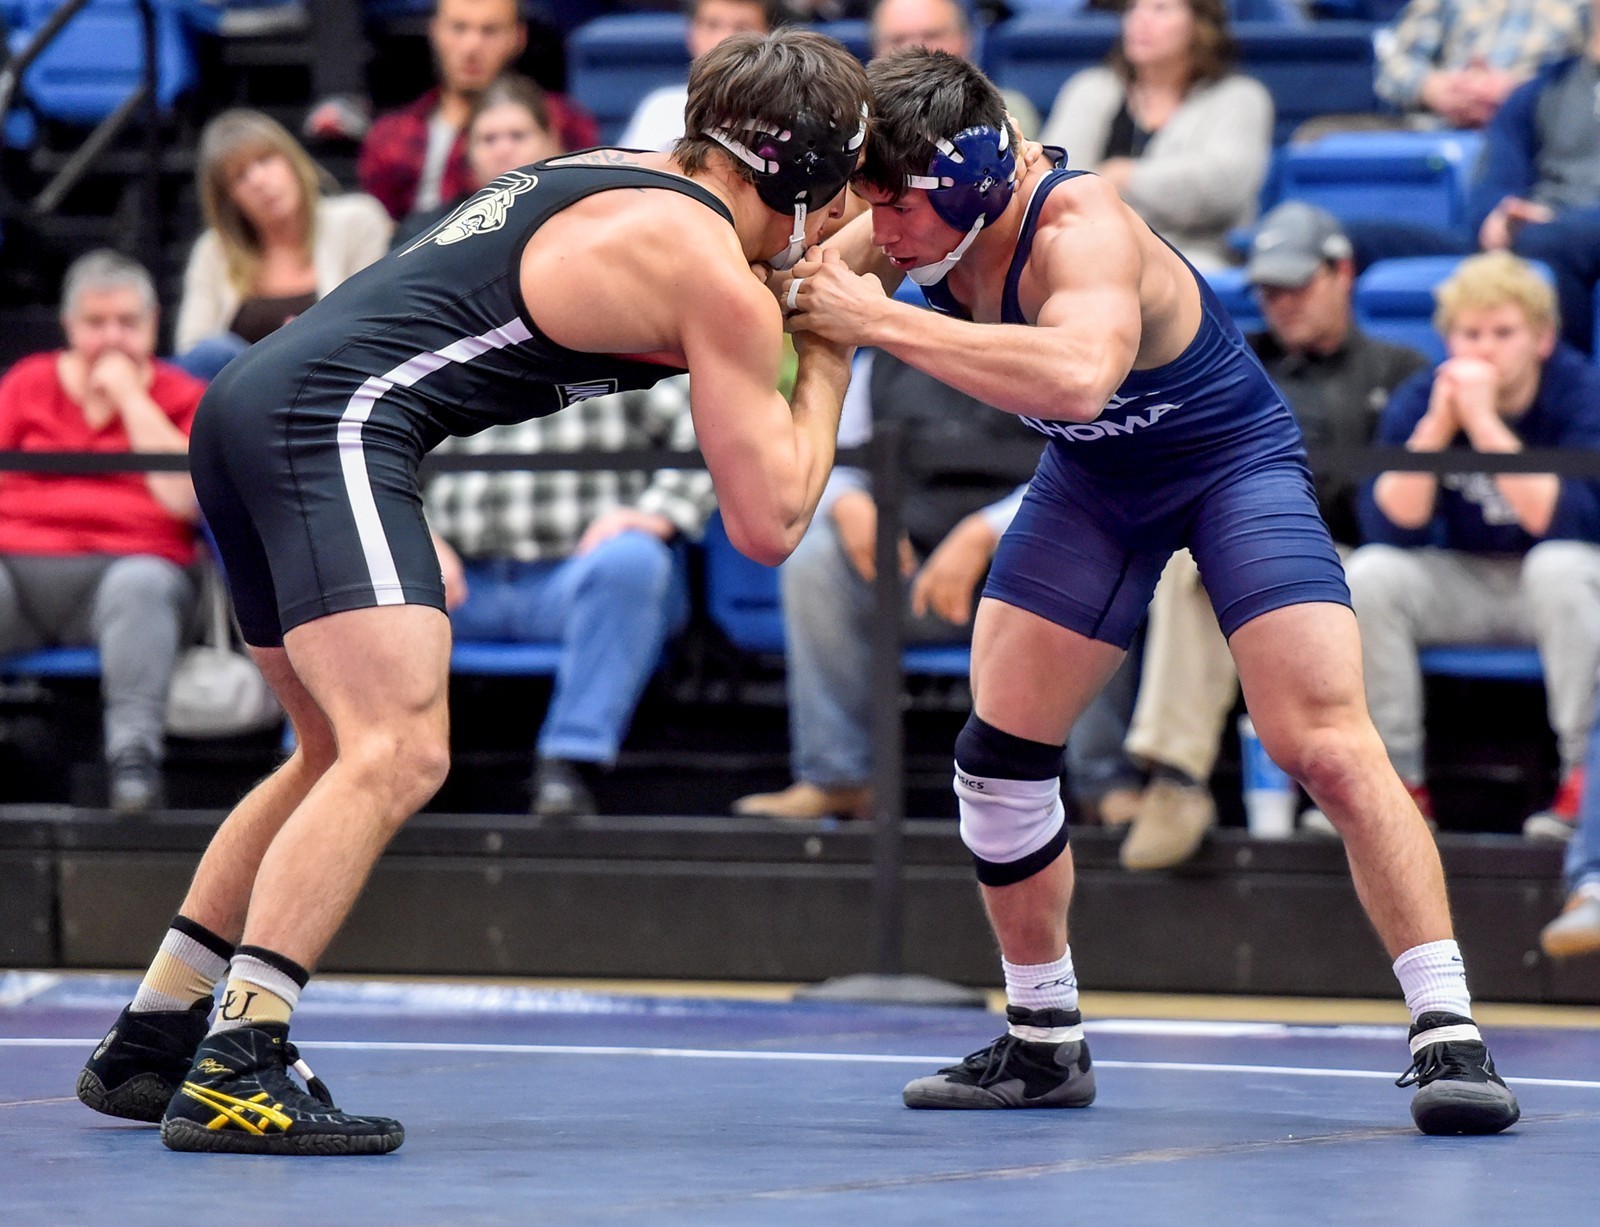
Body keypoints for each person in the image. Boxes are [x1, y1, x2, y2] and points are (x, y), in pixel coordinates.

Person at [74, 29, 870, 1154]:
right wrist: (835, 355)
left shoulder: (618, 176)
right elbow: (772, 520)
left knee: (323, 756)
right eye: (835, 195)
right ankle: (239, 1060)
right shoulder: (712, 277)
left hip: (247, 408)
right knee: (399, 750)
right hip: (329, 426)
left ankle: (156, 1034)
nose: (839, 221)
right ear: (800, 183)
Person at [783, 47, 1519, 1134]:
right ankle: (1042, 1038)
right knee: (996, 757)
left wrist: (875, 321)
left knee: (1321, 736)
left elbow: (1078, 375)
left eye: (898, 210)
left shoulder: (1079, 228)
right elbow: (807, 289)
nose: (881, 234)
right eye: (872, 207)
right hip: (1096, 477)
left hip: (1228, 463)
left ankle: (1447, 1028)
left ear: (977, 185)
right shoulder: (916, 207)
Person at [1117, 202, 1430, 869]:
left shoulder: (1397, 369)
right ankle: (1176, 777)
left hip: (1348, 555)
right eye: (1267, 290)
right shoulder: (1237, 358)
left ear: (1342, 272)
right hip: (1238, 549)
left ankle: (1361, 779)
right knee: (1182, 564)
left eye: (1297, 285)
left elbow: (1397, 513)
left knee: (1364, 575)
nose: (1281, 303)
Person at [1347, 251, 1600, 837]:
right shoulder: (1424, 398)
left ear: (1542, 339)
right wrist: (1438, 427)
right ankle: (1397, 791)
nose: (1484, 349)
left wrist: (1484, 424)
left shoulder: (1580, 392)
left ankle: (1585, 788)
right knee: (1373, 574)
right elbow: (1388, 526)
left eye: (1503, 333)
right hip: (1467, 581)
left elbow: (1570, 519)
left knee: (1558, 566)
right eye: (1469, 334)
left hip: (1571, 582)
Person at [731, 344, 1039, 821]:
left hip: (1028, 579)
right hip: (904, 572)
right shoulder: (879, 360)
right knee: (815, 557)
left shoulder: (1046, 348)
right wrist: (847, 502)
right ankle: (838, 779)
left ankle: (1105, 784)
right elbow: (828, 458)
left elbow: (1092, 465)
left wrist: (987, 532)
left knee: (1093, 555)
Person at [429, 375, 713, 818]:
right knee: (351, 563)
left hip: (576, 579)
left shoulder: (620, 337)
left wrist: (658, 513)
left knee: (634, 559)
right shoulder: (439, 348)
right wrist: (410, 534)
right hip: (454, 584)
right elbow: (367, 451)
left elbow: (710, 422)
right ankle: (321, 760)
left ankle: (570, 761)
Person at [0, 251, 204, 814]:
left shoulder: (182, 395)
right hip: (17, 572)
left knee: (139, 586)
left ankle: (134, 762)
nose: (111, 338)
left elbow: (186, 500)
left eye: (127, 323)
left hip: (131, 572)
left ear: (153, 324)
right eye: (95, 324)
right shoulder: (26, 384)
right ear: (69, 327)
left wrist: (130, 399)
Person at [1037, 0, 1271, 271]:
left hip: (1190, 254)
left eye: (1160, 9)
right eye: (1134, 7)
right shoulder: (1089, 89)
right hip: (1087, 246)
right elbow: (1052, 179)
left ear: (1199, 26)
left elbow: (1222, 187)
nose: (1140, 20)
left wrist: (1125, 177)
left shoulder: (1240, 98)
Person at [174, 110, 393, 381]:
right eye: (239, 176)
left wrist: (300, 344)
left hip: (334, 381)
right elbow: (193, 352)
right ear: (229, 200)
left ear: (292, 160)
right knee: (214, 353)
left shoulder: (358, 220)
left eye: (266, 160)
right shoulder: (214, 250)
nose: (259, 181)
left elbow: (378, 324)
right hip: (243, 401)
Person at [358, 0, 599, 223]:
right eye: (459, 28)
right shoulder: (391, 134)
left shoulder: (561, 120)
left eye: (490, 30)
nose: (472, 46)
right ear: (435, 30)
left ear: (518, 37)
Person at [391, 73, 563, 249]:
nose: (502, 151)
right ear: (468, 150)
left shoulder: (579, 219)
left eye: (518, 136)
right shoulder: (424, 235)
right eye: (488, 139)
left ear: (551, 141)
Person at [1374, 0, 1585, 130]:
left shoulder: (1585, 6)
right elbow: (1390, 64)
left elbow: (1592, 82)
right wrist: (1430, 87)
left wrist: (1523, 94)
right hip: (1444, 134)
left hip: (1542, 143)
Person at [618, 0, 779, 152]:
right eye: (712, 25)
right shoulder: (660, 107)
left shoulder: (786, 107)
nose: (723, 39)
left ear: (770, 36)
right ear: (692, 34)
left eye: (742, 28)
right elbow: (626, 175)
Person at [870, 0, 1041, 139]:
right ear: (876, 49)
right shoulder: (859, 121)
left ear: (965, 40)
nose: (914, 49)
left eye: (932, 35)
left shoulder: (1009, 111)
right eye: (898, 39)